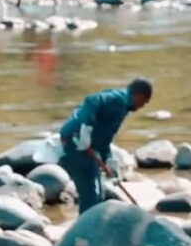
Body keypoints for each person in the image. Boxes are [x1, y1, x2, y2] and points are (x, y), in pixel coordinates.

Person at [58, 78, 152, 213]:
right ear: (139, 95)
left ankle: (92, 224)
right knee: (90, 194)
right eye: (144, 102)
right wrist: (86, 129)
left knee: (98, 193)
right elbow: (91, 100)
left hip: (87, 148)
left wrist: (109, 161)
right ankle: (87, 229)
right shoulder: (119, 98)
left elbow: (104, 137)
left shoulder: (123, 106)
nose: (143, 106)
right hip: (76, 143)